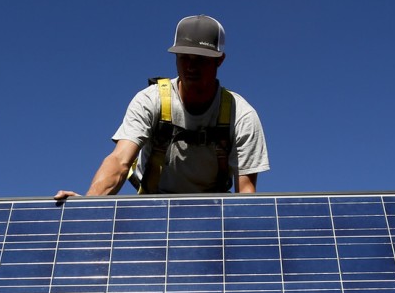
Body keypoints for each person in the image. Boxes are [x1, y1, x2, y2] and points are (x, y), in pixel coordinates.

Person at [54, 15, 269, 201]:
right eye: (184, 57)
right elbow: (119, 160)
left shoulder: (241, 115)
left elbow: (246, 192)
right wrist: (87, 207)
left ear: (219, 60)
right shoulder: (150, 100)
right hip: (153, 206)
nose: (191, 66)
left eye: (200, 59)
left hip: (212, 212)